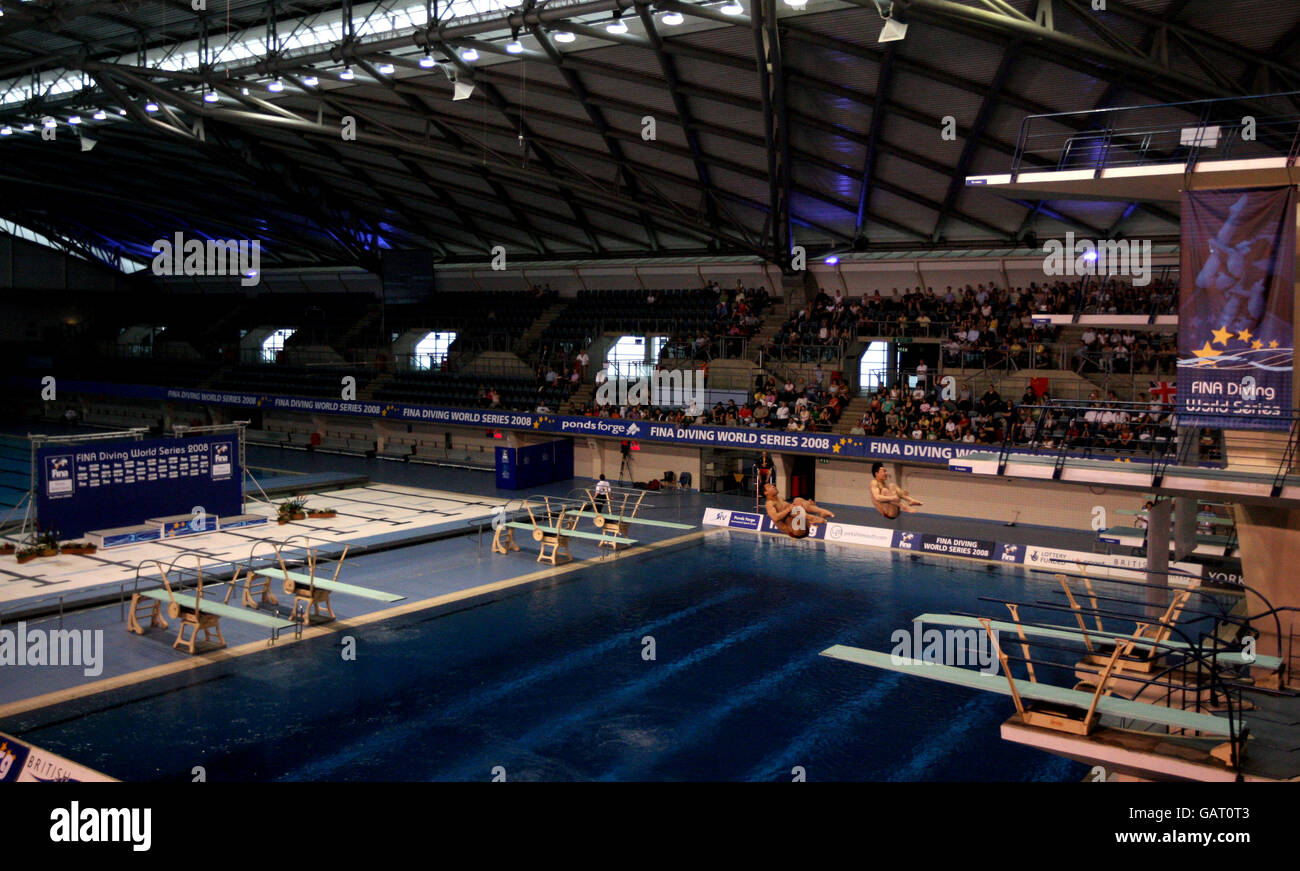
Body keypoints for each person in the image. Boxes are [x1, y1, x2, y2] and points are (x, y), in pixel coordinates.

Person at [763, 482, 834, 538]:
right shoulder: (770, 504)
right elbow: (775, 518)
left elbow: (792, 507)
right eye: (769, 486)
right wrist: (789, 509)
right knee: (793, 509)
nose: (773, 486)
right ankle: (815, 518)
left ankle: (821, 512)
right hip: (794, 531)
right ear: (766, 492)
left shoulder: (780, 499)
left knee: (797, 500)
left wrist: (807, 503)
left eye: (772, 485)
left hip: (800, 525)